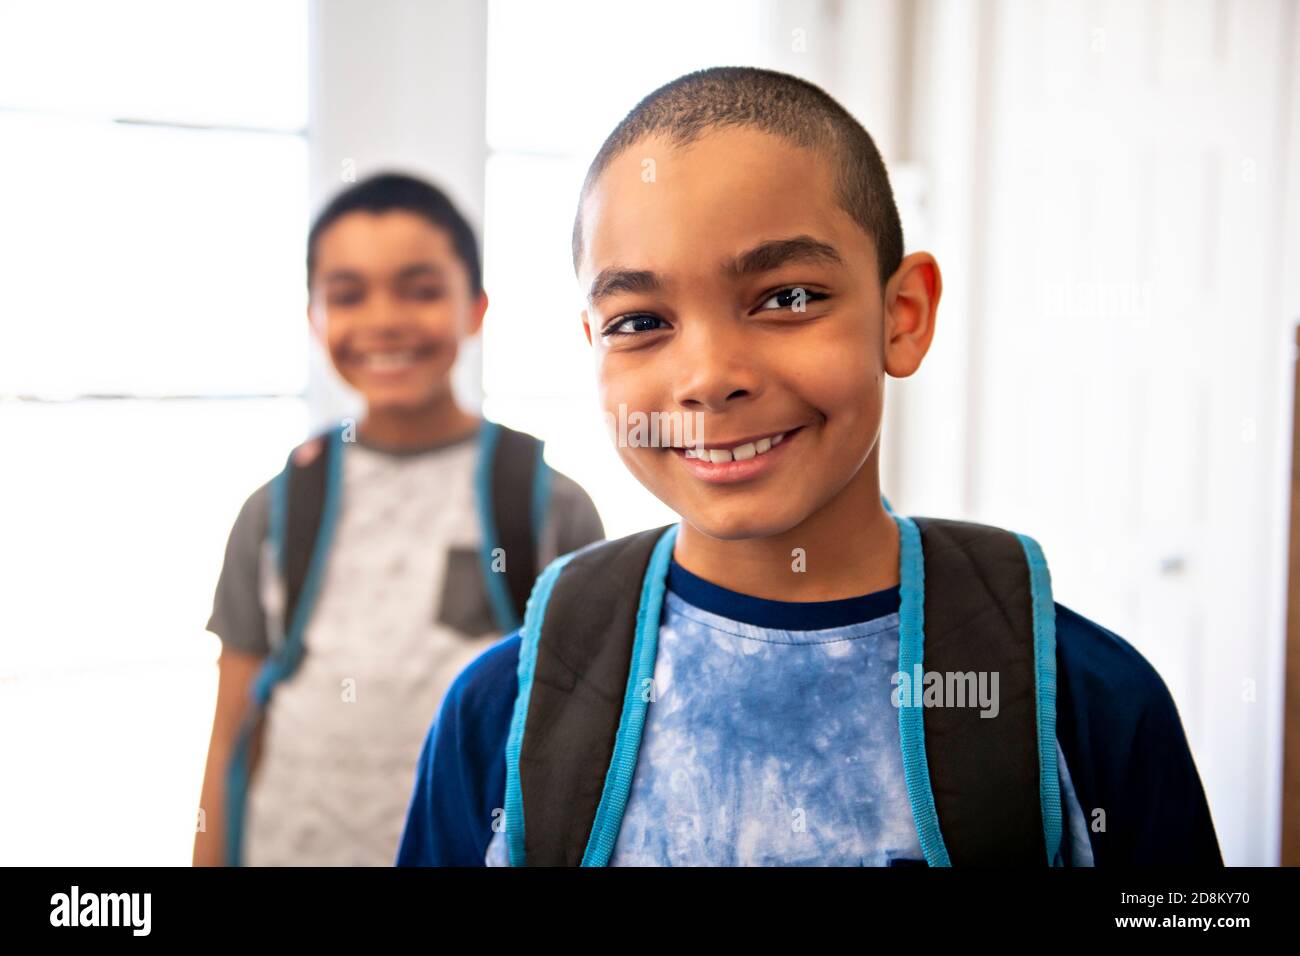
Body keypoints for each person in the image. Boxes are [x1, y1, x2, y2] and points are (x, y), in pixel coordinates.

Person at [396, 69, 1221, 866]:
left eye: (786, 298)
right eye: (640, 320)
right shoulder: (503, 711)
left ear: (903, 316)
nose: (709, 377)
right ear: (592, 347)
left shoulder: (1081, 704)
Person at [194, 172, 604, 866]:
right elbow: (232, 727)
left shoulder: (548, 508)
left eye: (419, 289)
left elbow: (582, 738)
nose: (384, 319)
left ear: (474, 308)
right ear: (314, 316)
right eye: (348, 294)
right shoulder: (274, 511)